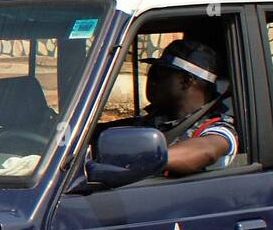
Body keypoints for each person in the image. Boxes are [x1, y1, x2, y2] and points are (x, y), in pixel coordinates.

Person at [99, 38, 238, 177]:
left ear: (186, 81)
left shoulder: (219, 127)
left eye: (158, 75)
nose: (150, 81)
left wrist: (137, 159)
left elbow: (208, 149)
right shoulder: (156, 120)